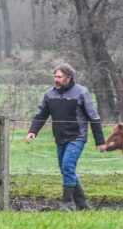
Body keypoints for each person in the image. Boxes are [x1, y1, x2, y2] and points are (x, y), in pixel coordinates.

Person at [25, 63, 106, 211]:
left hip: (77, 136)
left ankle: (67, 204)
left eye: (59, 77)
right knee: (66, 170)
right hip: (60, 137)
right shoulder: (49, 94)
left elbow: (93, 117)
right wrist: (33, 131)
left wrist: (100, 141)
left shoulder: (81, 92)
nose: (56, 79)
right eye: (55, 76)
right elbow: (41, 114)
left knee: (68, 167)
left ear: (69, 78)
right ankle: (82, 204)